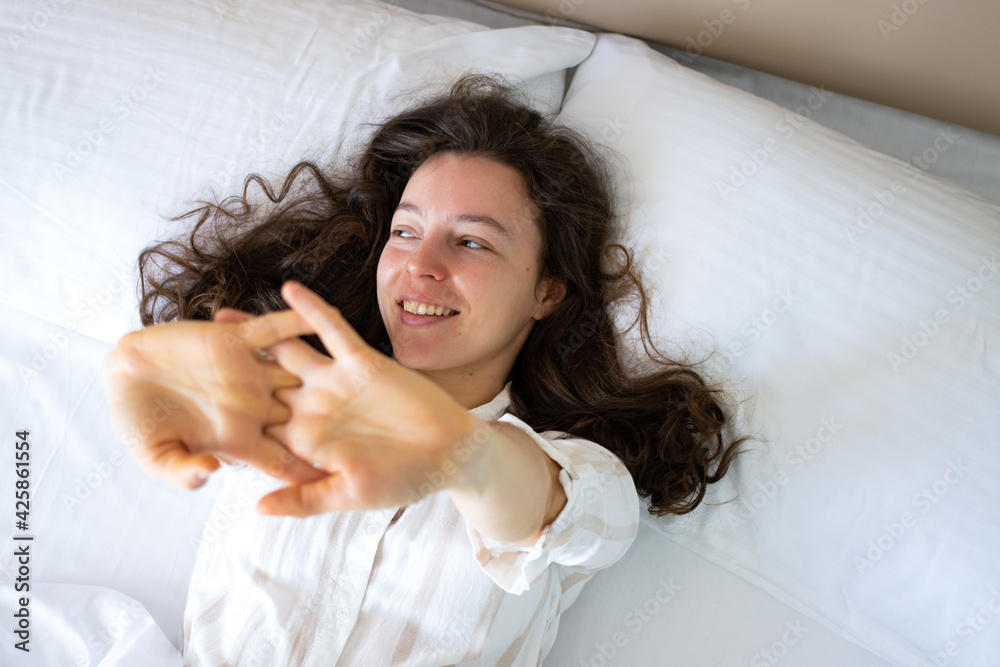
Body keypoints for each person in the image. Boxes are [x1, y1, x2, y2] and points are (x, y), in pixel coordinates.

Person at [103, 73, 747, 665]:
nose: (420, 266)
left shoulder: (581, 475)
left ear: (547, 291)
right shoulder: (287, 392)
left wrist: (458, 452)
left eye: (471, 242)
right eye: (405, 232)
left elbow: (551, 512)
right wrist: (145, 374)